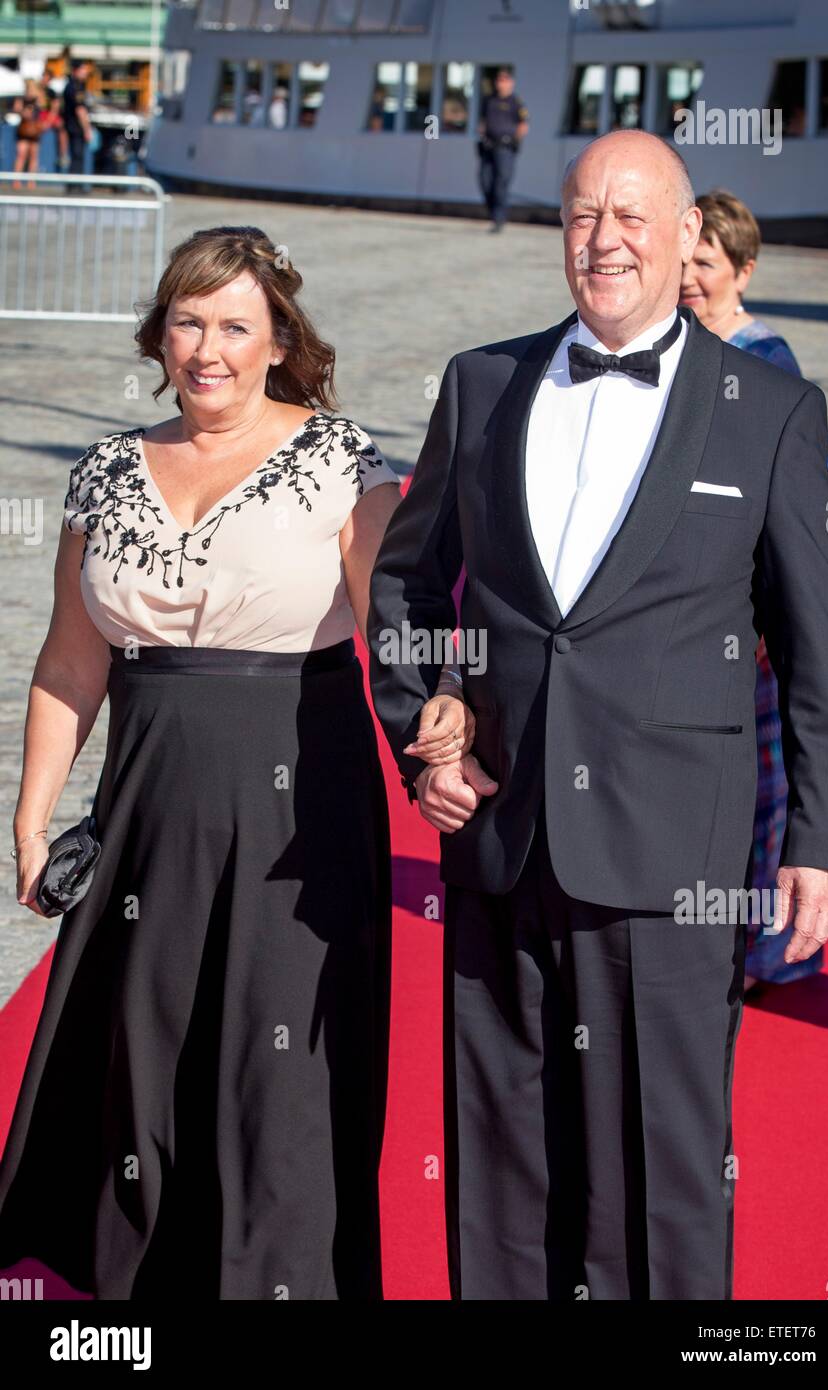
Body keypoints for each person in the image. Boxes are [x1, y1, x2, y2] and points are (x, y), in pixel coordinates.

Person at [367, 130, 828, 1300]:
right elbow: (402, 583)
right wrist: (419, 716)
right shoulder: (479, 382)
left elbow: (816, 649)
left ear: (689, 236)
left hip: (670, 852)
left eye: (634, 216)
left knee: (666, 1170)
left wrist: (817, 848)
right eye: (583, 216)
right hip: (499, 835)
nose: (605, 241)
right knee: (499, 1153)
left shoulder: (772, 409)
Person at [0, 225, 404, 1300]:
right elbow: (71, 658)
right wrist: (35, 820)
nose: (207, 347)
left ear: (278, 341)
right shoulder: (104, 473)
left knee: (278, 1078)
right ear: (159, 333)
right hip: (148, 808)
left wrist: (445, 733)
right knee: (145, 1058)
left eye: (235, 325)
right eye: (188, 321)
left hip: (297, 812)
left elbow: (401, 637)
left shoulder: (341, 460)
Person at [679, 187, 828, 992]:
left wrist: (761, 614)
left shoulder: (766, 358)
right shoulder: (669, 343)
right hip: (688, 605)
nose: (688, 278)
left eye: (704, 265)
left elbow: (779, 505)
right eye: (683, 261)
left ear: (742, 270)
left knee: (761, 787)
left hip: (744, 613)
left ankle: (761, 950)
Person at [477, 69, 528, 233]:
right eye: (499, 80)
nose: (501, 83)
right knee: (485, 182)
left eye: (505, 80)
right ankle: (493, 213)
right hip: (488, 147)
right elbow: (483, 121)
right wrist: (482, 133)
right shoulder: (489, 100)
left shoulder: (516, 102)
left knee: (501, 184)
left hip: (505, 148)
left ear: (511, 83)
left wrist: (515, 141)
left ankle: (499, 219)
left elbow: (523, 125)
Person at [62, 57, 93, 178]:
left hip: (72, 125)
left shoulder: (73, 85)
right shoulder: (75, 87)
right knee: (77, 156)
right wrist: (87, 129)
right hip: (76, 127)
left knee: (77, 155)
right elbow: (80, 109)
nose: (85, 72)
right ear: (76, 70)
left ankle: (75, 184)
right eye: (83, 69)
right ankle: (75, 185)